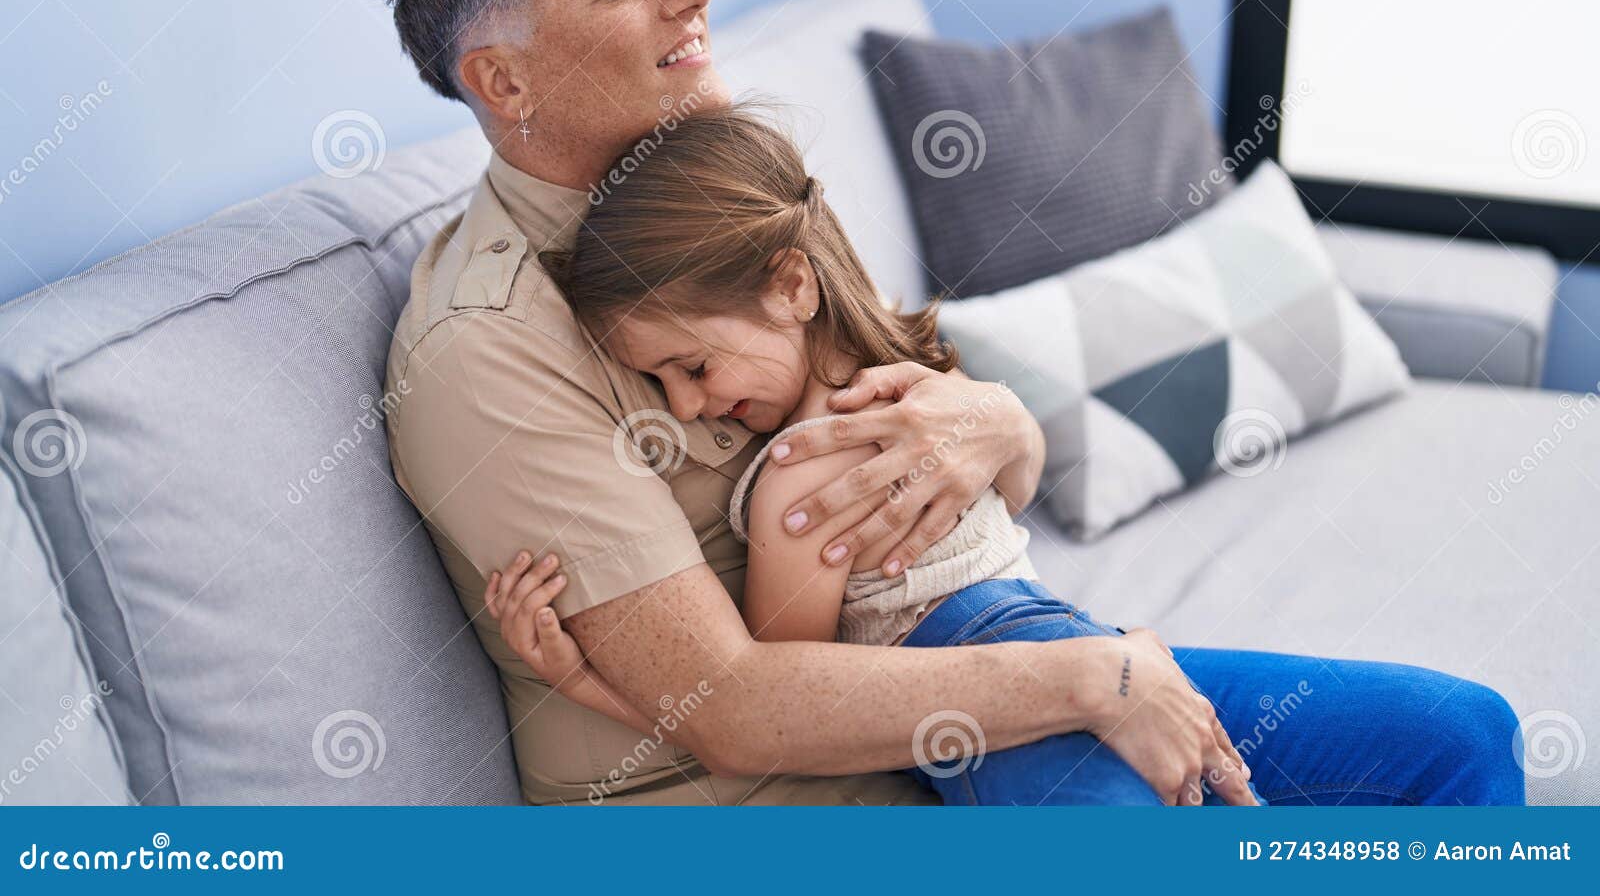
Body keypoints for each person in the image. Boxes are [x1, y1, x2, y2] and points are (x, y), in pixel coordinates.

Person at [483, 105, 1527, 806]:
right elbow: (778, 712)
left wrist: (998, 429)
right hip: (1005, 722)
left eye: (689, 364)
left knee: (1465, 732)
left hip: (1081, 640)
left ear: (790, 284)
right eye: (661, 384)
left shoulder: (923, 392)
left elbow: (1017, 495)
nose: (689, 405)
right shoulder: (799, 479)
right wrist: (586, 677)